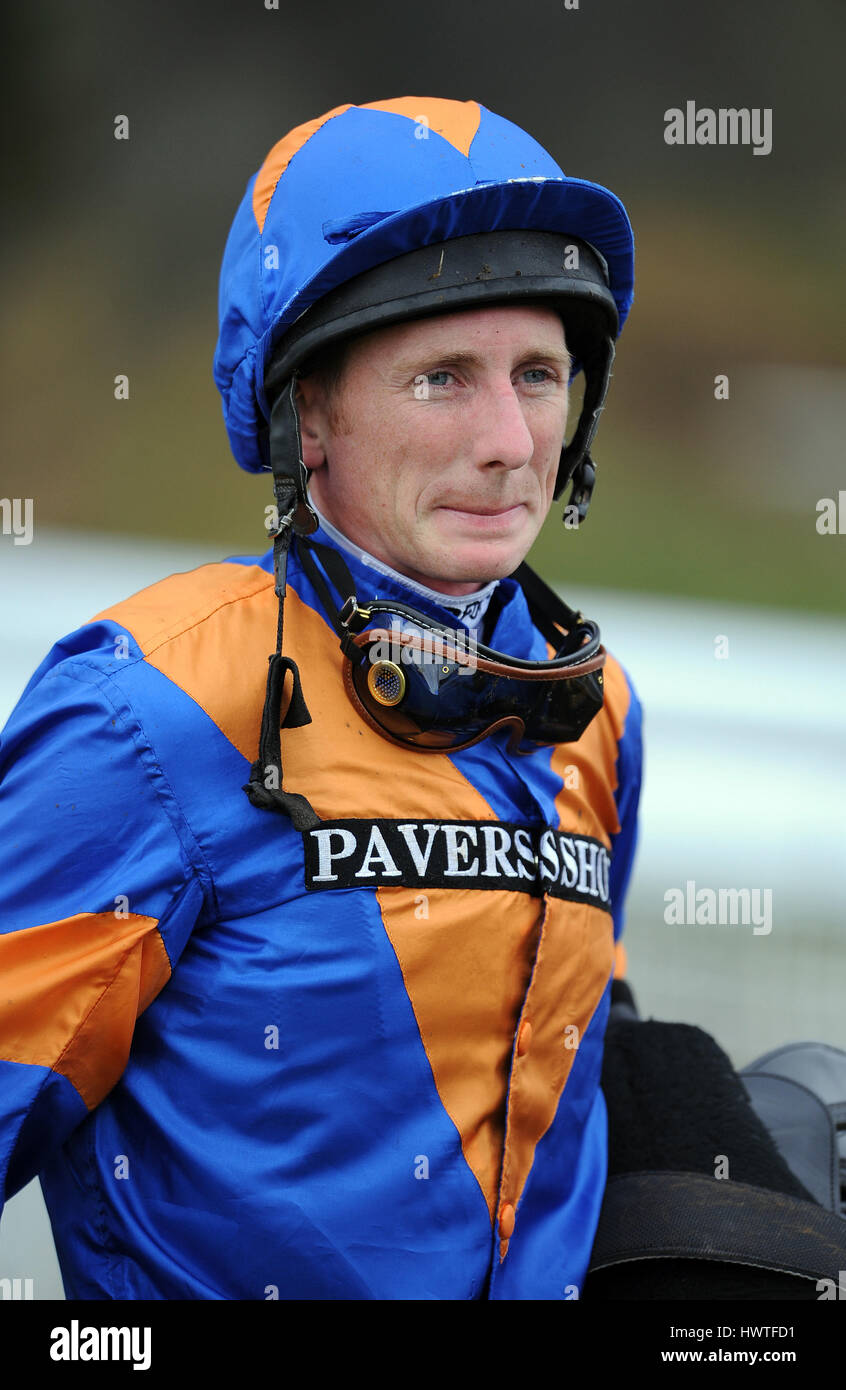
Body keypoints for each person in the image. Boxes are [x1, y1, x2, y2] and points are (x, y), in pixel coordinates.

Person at [0, 96, 643, 1300]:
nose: (510, 440)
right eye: (442, 377)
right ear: (310, 414)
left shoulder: (599, 705)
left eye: (540, 373)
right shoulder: (144, 712)